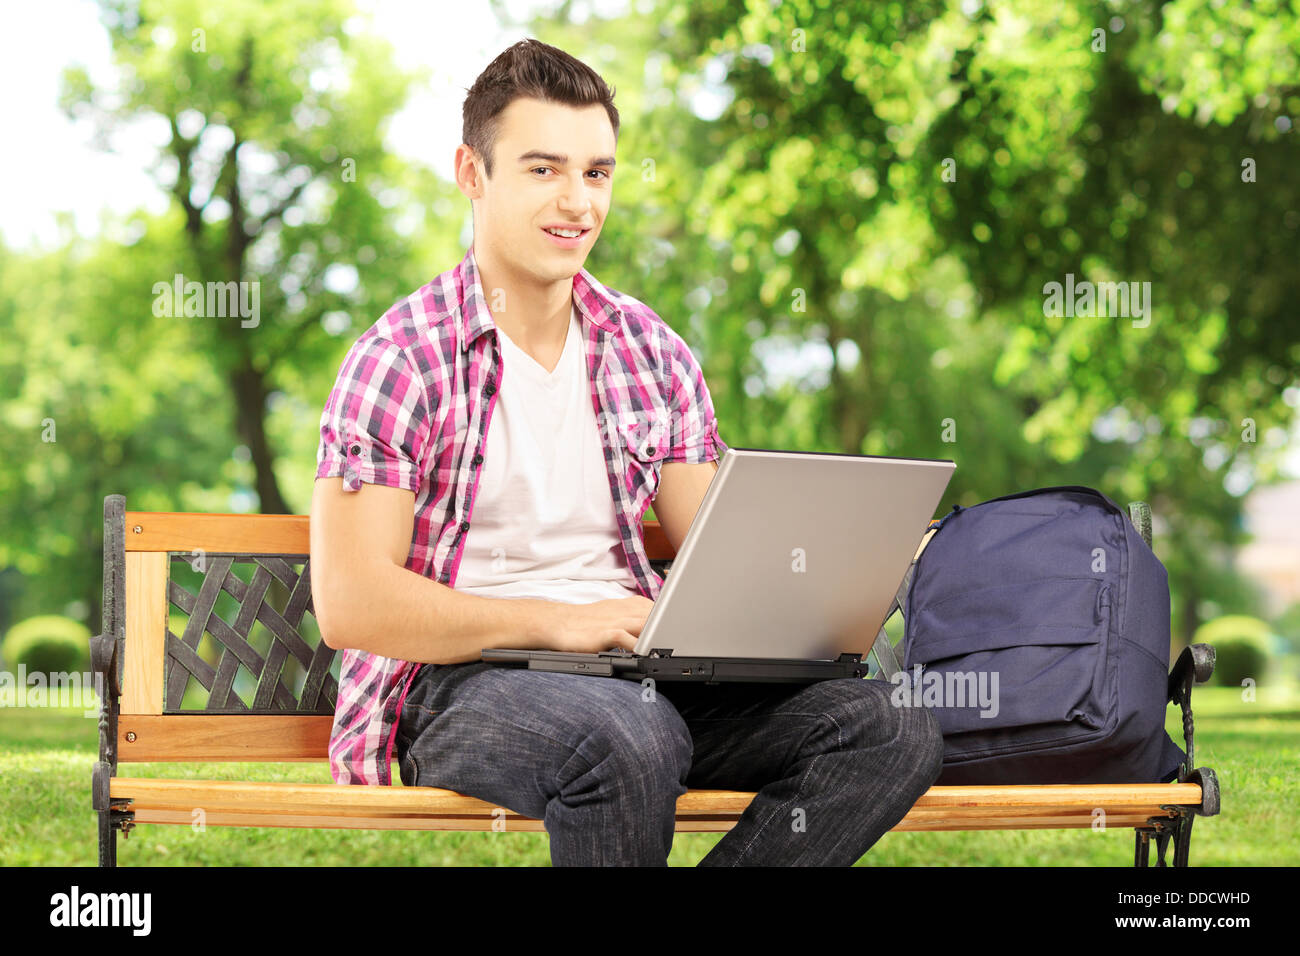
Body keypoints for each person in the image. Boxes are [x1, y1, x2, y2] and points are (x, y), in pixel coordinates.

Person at [309, 38, 944, 866]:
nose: (577, 202)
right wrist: (564, 625)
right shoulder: (402, 358)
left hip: (644, 681)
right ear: (472, 172)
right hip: (460, 685)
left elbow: (714, 546)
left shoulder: (651, 349)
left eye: (597, 173)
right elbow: (353, 604)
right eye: (544, 170)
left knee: (890, 727)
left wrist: (853, 560)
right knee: (628, 737)